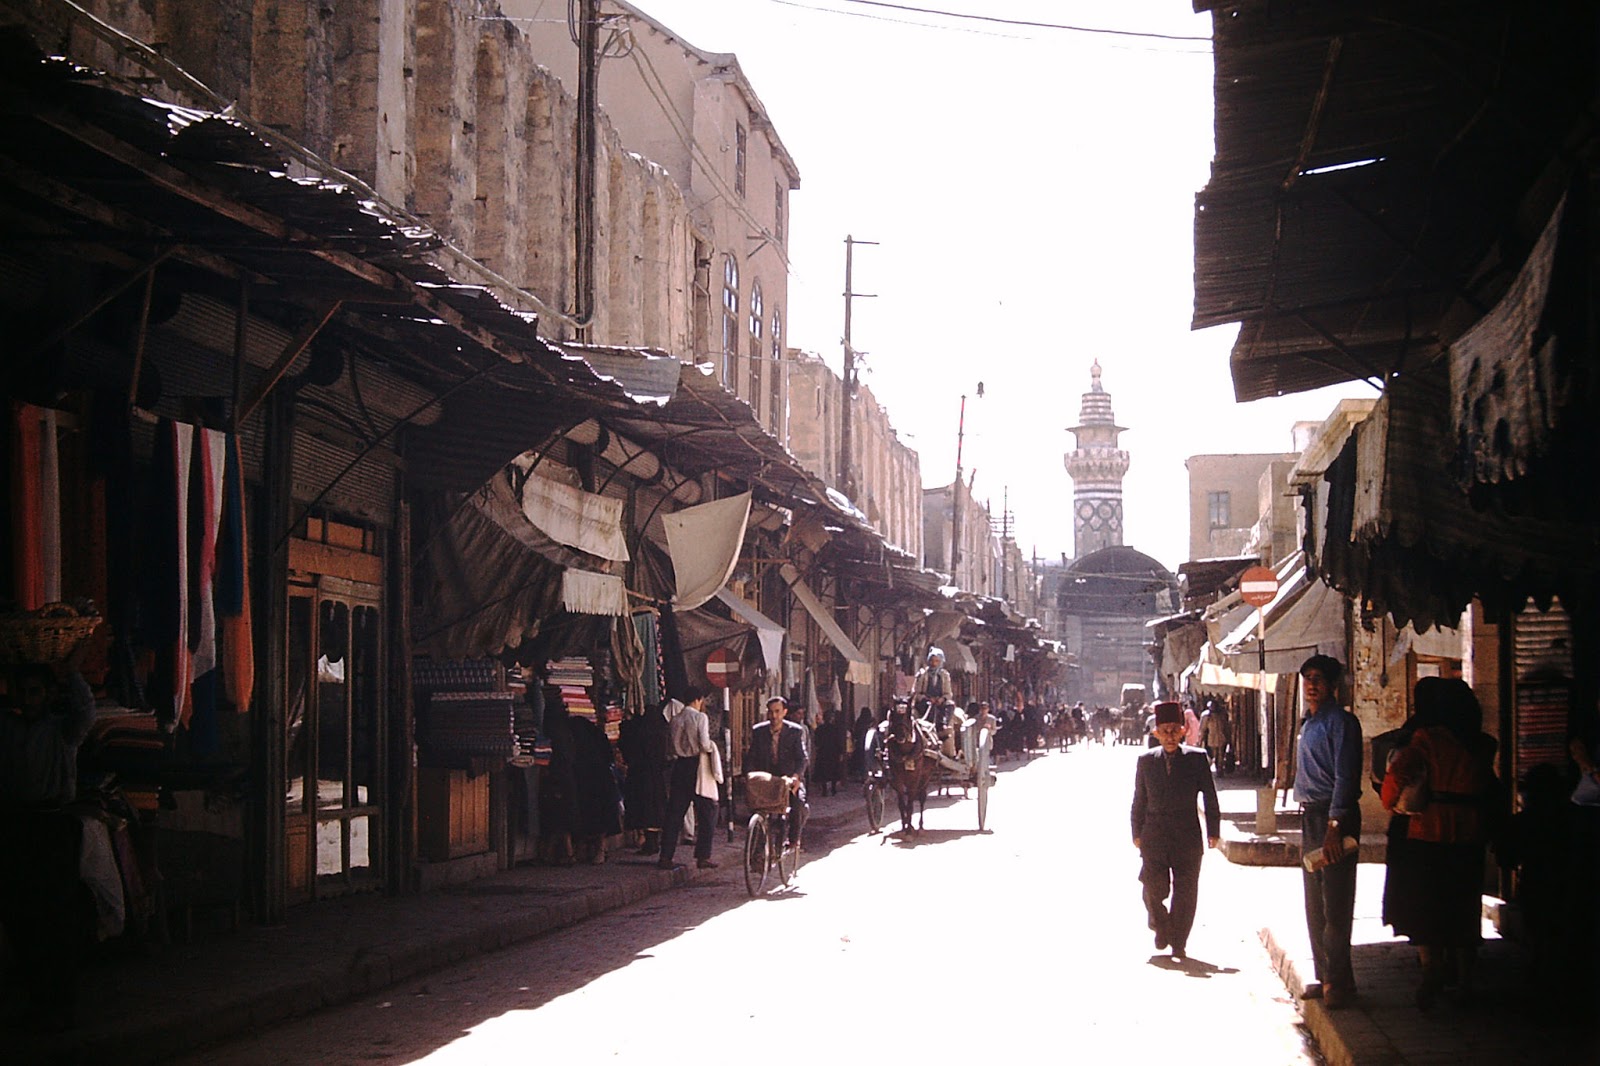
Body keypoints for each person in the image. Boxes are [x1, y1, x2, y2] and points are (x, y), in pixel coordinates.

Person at [1380, 678, 1499, 1008]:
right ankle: (1465, 982)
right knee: (1464, 907)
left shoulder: (1425, 741)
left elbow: (1394, 784)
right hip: (1469, 836)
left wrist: (1394, 803)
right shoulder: (1481, 744)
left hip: (1427, 835)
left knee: (1429, 908)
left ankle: (1432, 972)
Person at [0, 659, 98, 1031]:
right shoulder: (7, 728)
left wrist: (70, 670)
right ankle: (37, 1000)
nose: (28, 700)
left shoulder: (62, 732)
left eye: (35, 692)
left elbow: (86, 711)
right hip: (15, 826)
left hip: (52, 826)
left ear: (49, 695)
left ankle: (61, 1003)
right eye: (22, 692)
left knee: (54, 920)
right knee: (20, 918)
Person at [1294, 654, 1363, 1009]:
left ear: (1333, 685)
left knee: (1335, 906)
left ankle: (1339, 982)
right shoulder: (1308, 722)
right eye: (1307, 678)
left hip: (1335, 818)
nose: (1311, 685)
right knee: (1315, 906)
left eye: (1318, 678)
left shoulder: (1342, 723)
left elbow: (1346, 777)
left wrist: (1335, 826)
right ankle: (1327, 977)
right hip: (1310, 819)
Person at [1131, 701, 1221, 961]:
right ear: (1156, 733)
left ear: (1183, 731)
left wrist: (1213, 830)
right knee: (1153, 888)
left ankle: (1178, 941)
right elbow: (1139, 799)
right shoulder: (1146, 761)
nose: (1170, 736)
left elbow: (1210, 797)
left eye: (1174, 730)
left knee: (1185, 892)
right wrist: (1136, 831)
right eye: (1164, 731)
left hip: (1187, 836)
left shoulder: (1197, 759)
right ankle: (1160, 924)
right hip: (1154, 835)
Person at [657, 687, 718, 871]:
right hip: (697, 767)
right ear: (699, 699)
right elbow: (705, 744)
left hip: (680, 767)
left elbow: (670, 746)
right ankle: (703, 856)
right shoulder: (700, 718)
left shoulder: (675, 719)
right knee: (708, 812)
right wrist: (712, 748)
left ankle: (665, 857)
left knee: (674, 814)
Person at [744, 695, 809, 847]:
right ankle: (758, 848)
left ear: (784, 712)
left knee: (798, 803)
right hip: (767, 779)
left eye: (778, 711)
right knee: (756, 808)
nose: (774, 716)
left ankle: (793, 840)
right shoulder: (759, 731)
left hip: (788, 779)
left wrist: (796, 776)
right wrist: (748, 774)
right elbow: (751, 756)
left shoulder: (795, 731)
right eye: (771, 712)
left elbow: (802, 758)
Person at [617, 702, 669, 856]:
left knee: (643, 809)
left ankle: (648, 842)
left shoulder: (637, 732)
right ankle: (652, 842)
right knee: (655, 810)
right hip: (656, 776)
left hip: (639, 775)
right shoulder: (661, 732)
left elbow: (625, 745)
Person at [812, 708, 845, 796]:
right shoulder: (835, 729)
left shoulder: (820, 729)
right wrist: (841, 752)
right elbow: (839, 741)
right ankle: (833, 789)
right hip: (833, 753)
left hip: (823, 752)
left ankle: (824, 790)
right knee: (833, 771)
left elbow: (816, 741)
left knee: (824, 772)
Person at [1202, 700, 1230, 774]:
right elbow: (1203, 728)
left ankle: (1219, 768)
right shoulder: (1207, 717)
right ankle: (1217, 766)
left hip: (1220, 737)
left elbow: (1225, 727)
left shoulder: (1221, 716)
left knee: (1220, 754)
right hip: (1212, 737)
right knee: (1215, 754)